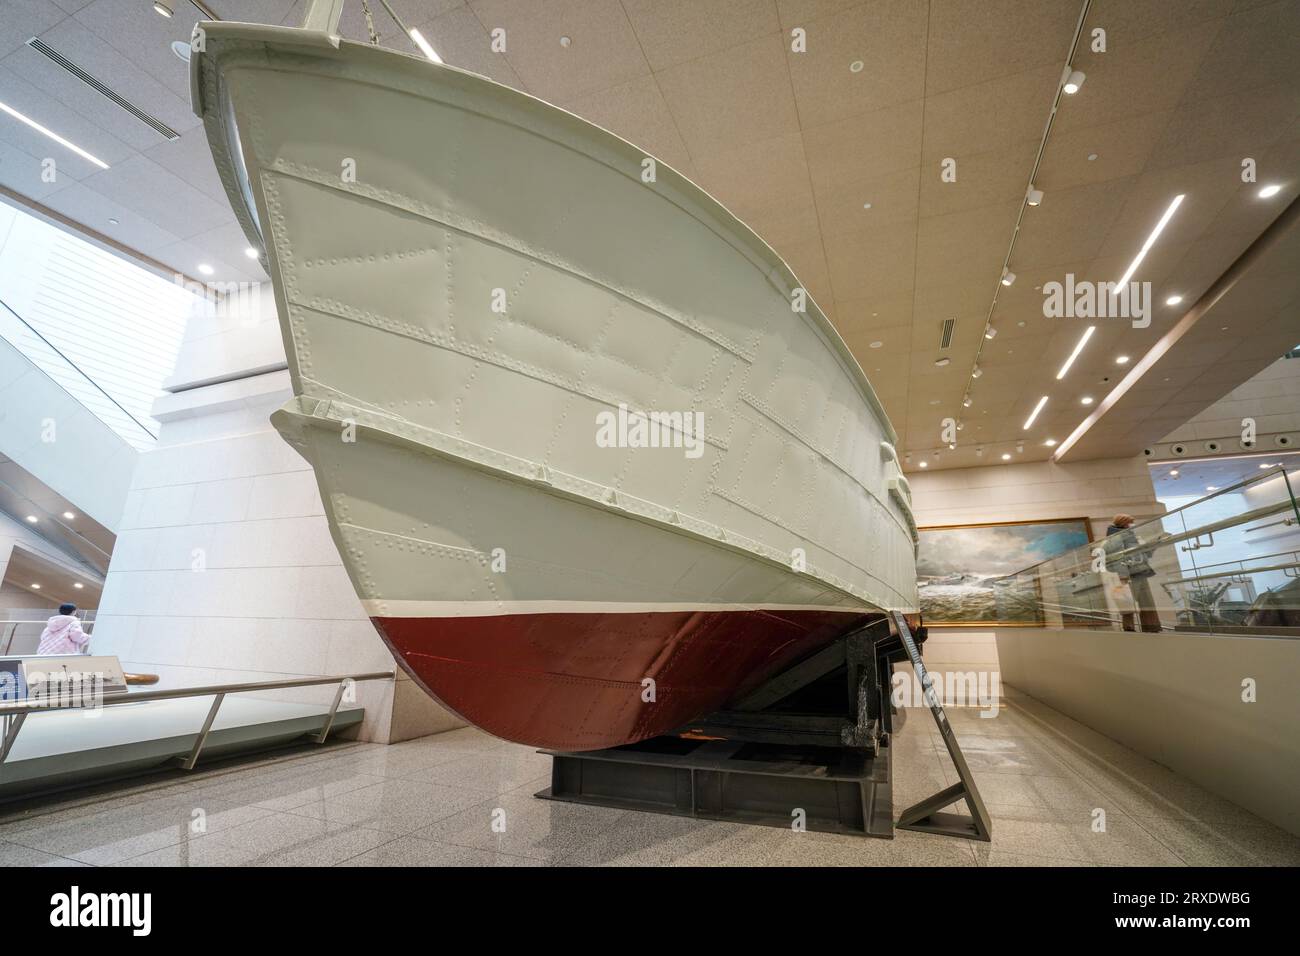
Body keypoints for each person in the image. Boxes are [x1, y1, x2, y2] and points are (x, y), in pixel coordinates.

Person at [1103, 515, 1162, 633]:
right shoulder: (1115, 538)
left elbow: (1145, 554)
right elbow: (1116, 558)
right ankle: (1129, 628)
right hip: (1129, 574)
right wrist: (1123, 575)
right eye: (1130, 522)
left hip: (1141, 571)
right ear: (1124, 523)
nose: (1133, 525)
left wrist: (1156, 543)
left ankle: (1151, 627)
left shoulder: (1132, 536)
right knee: (1127, 601)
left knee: (1146, 601)